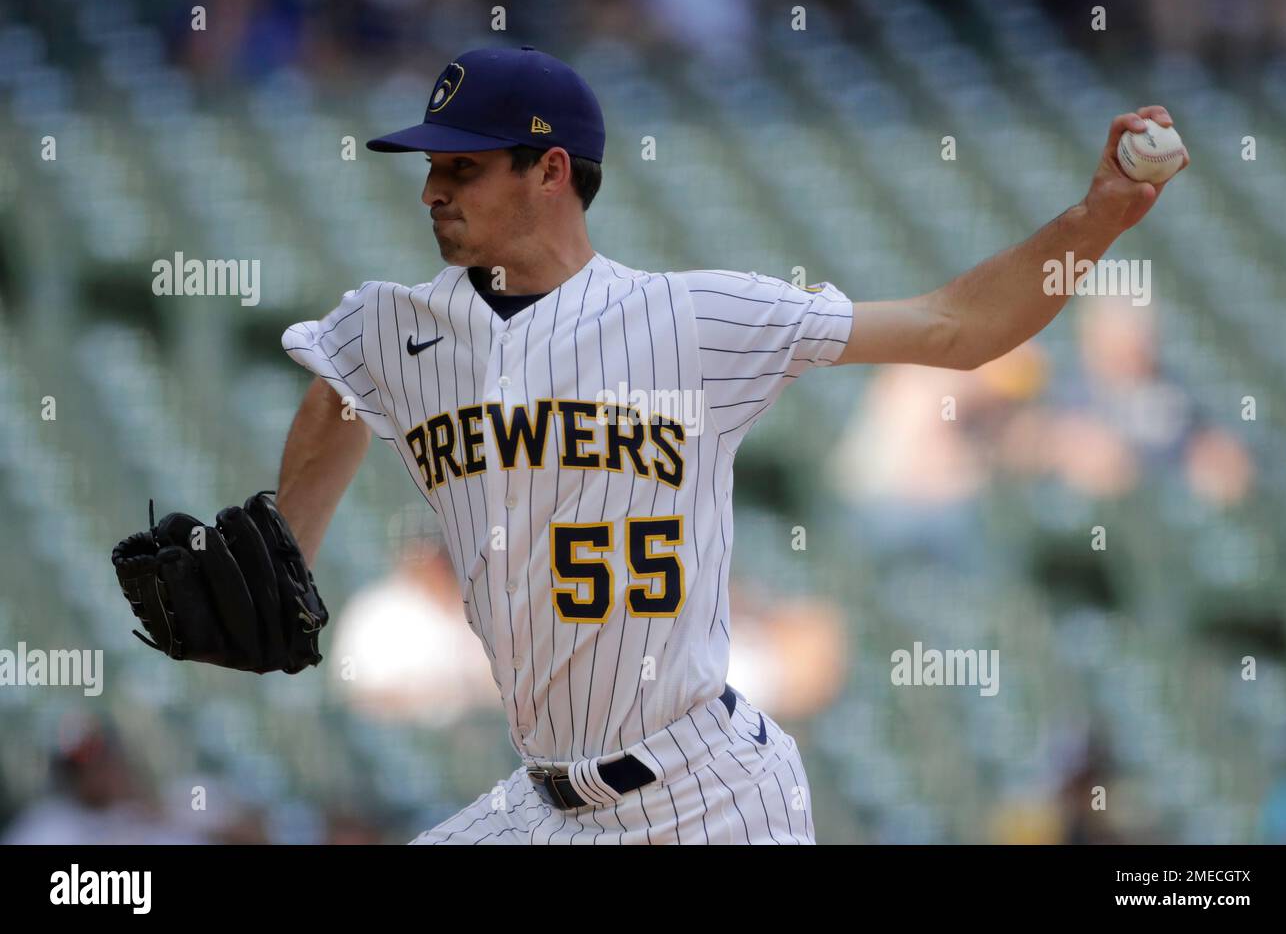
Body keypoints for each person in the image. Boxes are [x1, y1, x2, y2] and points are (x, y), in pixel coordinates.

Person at [276, 45, 1187, 844]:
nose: (433, 188)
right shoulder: (397, 329)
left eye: (464, 168)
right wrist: (288, 557)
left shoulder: (694, 318)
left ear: (550, 171)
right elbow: (335, 388)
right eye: (433, 165)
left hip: (709, 795)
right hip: (545, 805)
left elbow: (956, 327)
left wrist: (1097, 216)